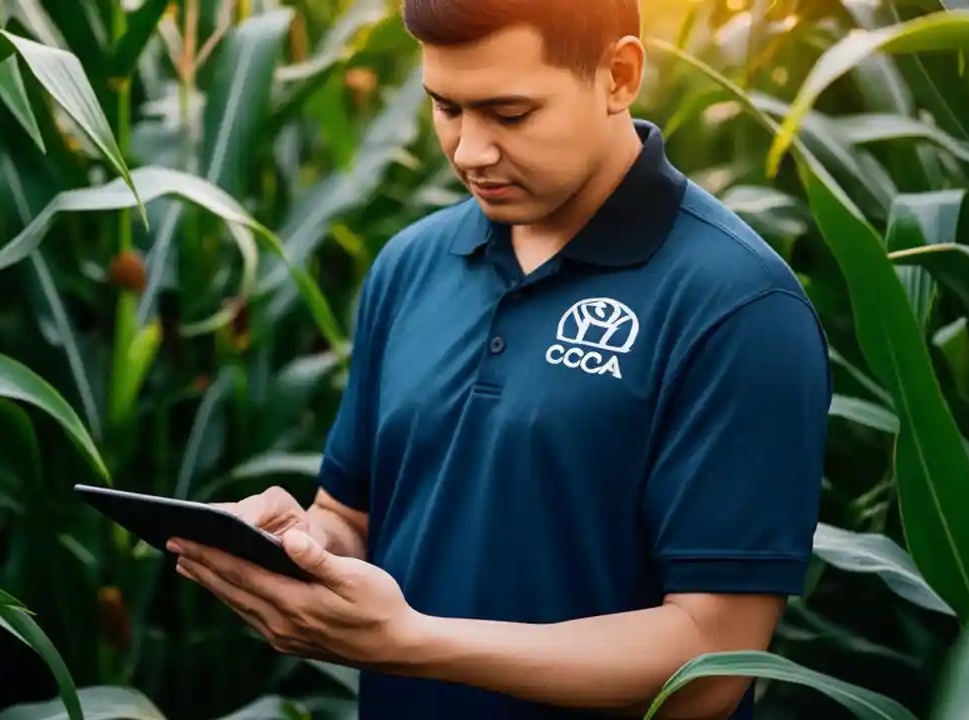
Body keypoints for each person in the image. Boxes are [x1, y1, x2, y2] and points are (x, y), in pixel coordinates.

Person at [165, 0, 832, 717]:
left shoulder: (737, 305)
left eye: (509, 114)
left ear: (619, 75)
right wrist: (300, 544)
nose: (468, 152)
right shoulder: (412, 265)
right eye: (445, 107)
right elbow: (352, 518)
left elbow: (709, 663)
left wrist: (409, 641)